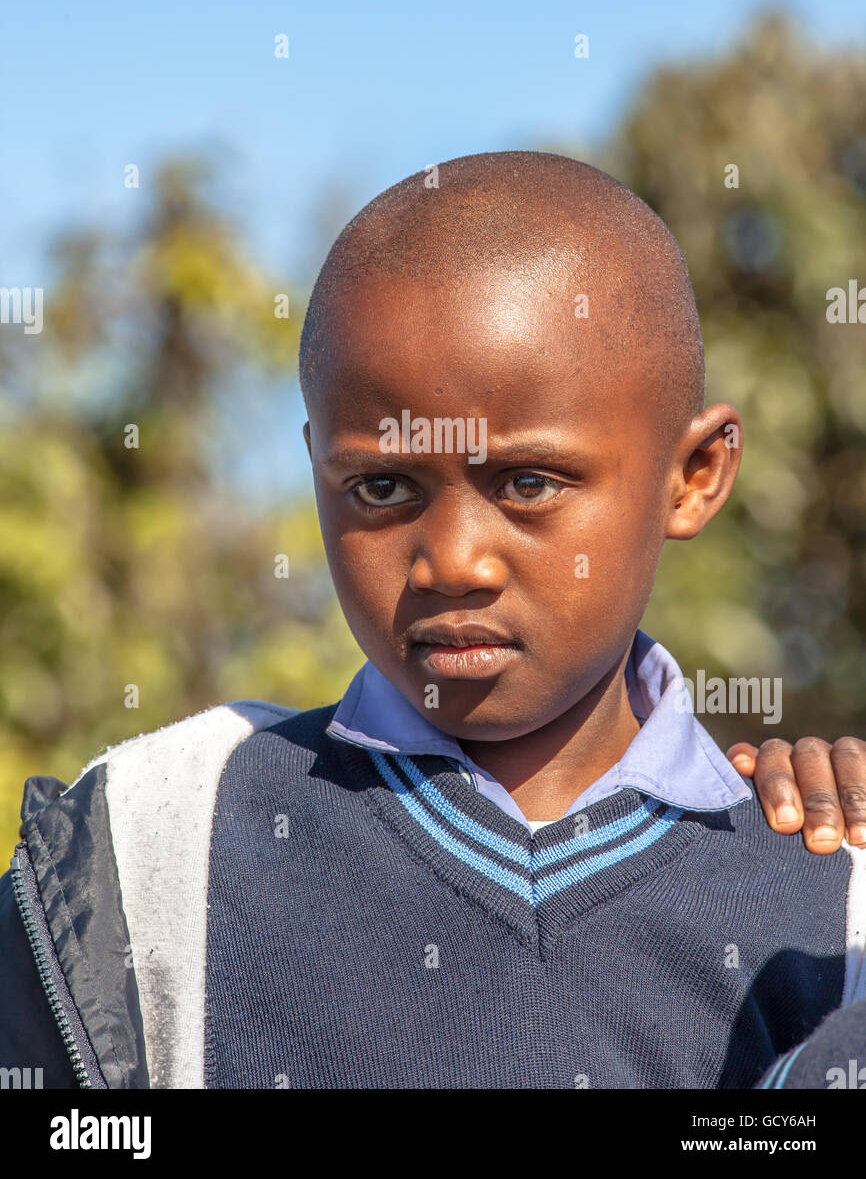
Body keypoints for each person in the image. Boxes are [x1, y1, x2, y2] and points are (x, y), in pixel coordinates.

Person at [1, 150, 865, 1090]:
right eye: (382, 485)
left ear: (693, 477)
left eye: (528, 483)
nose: (452, 560)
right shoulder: (156, 844)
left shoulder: (834, 897)